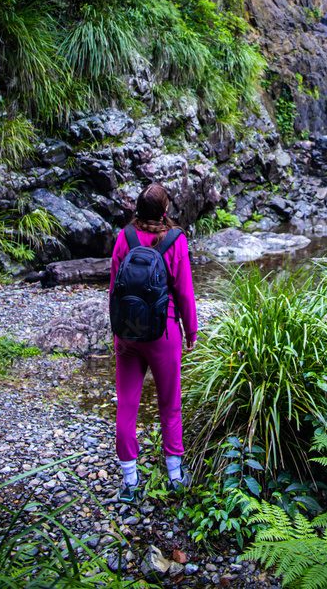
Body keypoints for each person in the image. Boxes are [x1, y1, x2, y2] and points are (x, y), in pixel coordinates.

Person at [109, 183, 197, 502]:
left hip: (128, 331)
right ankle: (174, 475)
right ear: (165, 210)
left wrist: (116, 329)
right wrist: (191, 331)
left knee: (127, 404)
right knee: (169, 403)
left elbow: (114, 290)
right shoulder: (176, 240)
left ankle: (130, 482)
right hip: (165, 333)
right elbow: (185, 292)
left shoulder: (124, 237)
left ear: (137, 209)